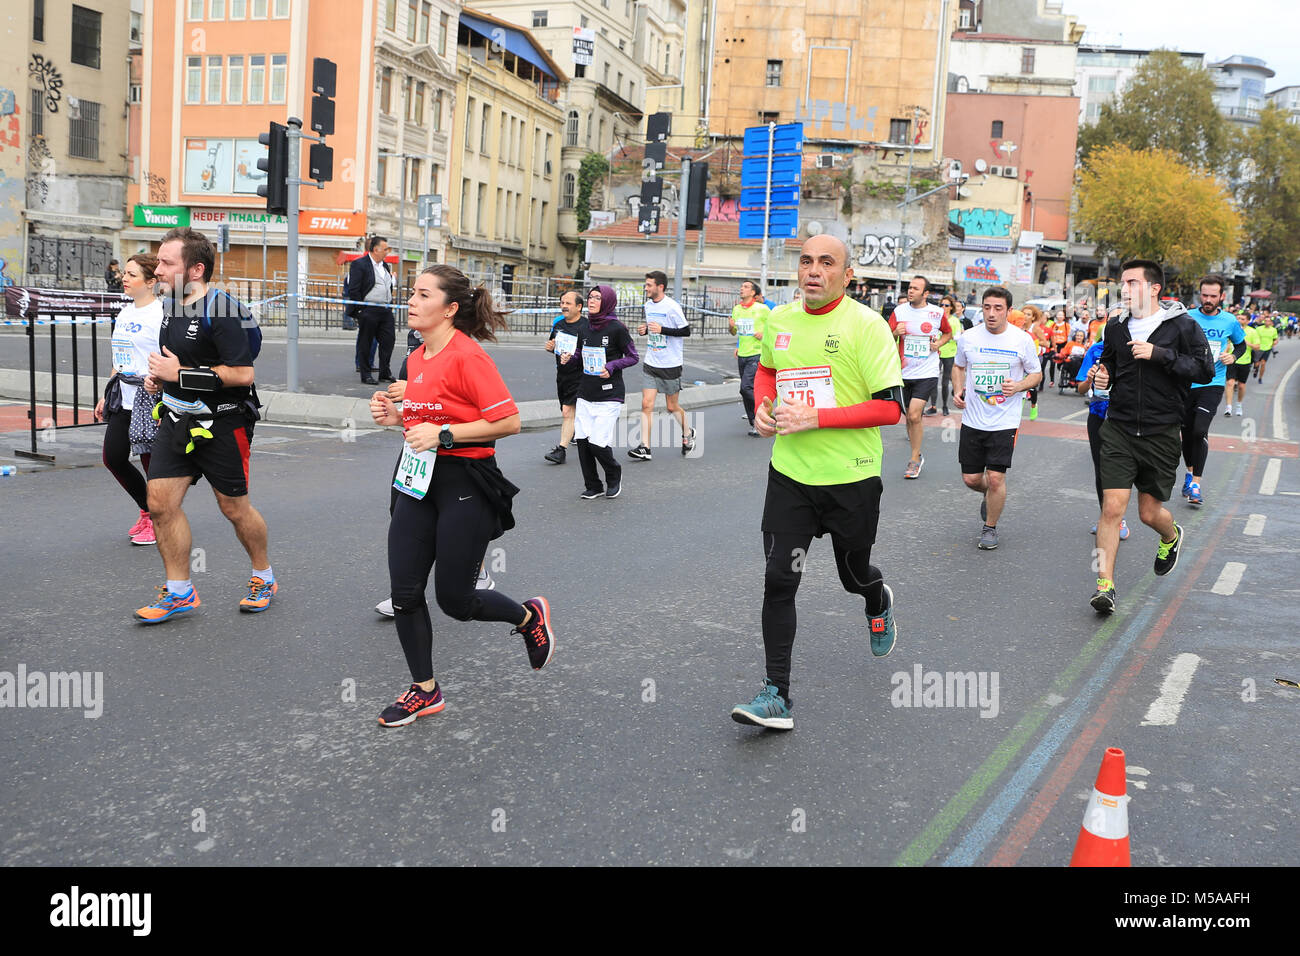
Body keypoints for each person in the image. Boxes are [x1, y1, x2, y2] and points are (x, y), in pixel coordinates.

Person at [367, 265, 555, 727]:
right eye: (412, 292)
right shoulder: (415, 359)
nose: (411, 300)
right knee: (405, 592)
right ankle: (424, 690)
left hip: (466, 482)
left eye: (423, 294)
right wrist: (398, 418)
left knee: (456, 600)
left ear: (450, 309)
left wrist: (444, 434)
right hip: (417, 480)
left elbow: (509, 421)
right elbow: (426, 417)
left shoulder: (468, 357)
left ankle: (528, 618)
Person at [730, 235, 904, 732]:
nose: (813, 270)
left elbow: (889, 407)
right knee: (779, 580)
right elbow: (767, 372)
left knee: (854, 575)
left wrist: (817, 418)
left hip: (852, 478)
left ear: (847, 276)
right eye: (806, 261)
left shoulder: (866, 326)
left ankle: (877, 599)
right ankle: (775, 695)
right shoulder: (779, 320)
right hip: (791, 476)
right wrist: (764, 407)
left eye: (826, 263)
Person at [134, 227, 274, 623]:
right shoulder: (172, 305)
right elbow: (178, 364)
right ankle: (180, 591)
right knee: (160, 504)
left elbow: (242, 374)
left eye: (166, 262)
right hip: (176, 420)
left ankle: (263, 575)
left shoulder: (225, 310)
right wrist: (160, 378)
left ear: (195, 269)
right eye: (158, 261)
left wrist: (180, 373)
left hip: (223, 423)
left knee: (233, 507)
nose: (157, 270)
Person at [1084, 259, 1213, 614]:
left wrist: (1160, 355)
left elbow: (1204, 370)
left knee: (1148, 512)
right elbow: (1109, 363)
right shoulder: (1115, 327)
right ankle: (1104, 585)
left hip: (1161, 432)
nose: (1124, 290)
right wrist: (1103, 376)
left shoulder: (1182, 326)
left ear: (1154, 288)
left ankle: (1170, 537)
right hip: (1119, 428)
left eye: (1132, 283)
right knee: (1111, 508)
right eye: (1123, 283)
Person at [950, 287, 1042, 551]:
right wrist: (958, 389)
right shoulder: (968, 337)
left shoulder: (1021, 339)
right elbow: (958, 366)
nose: (991, 313)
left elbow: (1036, 375)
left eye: (998, 308)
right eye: (987, 307)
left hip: (1005, 420)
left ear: (1008, 311)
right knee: (971, 478)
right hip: (973, 419)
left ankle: (989, 527)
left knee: (996, 478)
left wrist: (1020, 386)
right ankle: (990, 497)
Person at [94, 254, 164, 545]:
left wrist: (158, 383)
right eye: (125, 273)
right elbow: (120, 358)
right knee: (113, 457)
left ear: (151, 281)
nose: (124, 278)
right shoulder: (124, 313)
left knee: (153, 467)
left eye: (132, 274)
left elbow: (170, 358)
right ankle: (148, 510)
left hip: (150, 400)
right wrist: (106, 392)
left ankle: (159, 521)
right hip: (123, 398)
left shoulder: (160, 315)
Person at [1180, 275, 1246, 508]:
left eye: (1212, 296)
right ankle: (1189, 473)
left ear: (1221, 297)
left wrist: (1233, 356)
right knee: (1186, 434)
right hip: (1186, 383)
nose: (1207, 300)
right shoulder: (1186, 317)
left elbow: (1241, 344)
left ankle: (1196, 484)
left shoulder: (1229, 321)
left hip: (1213, 383)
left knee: (1199, 431)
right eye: (1204, 295)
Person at [572, 285, 638, 499]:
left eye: (597, 298)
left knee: (597, 442)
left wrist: (611, 367)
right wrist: (568, 356)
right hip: (585, 393)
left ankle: (613, 473)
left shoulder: (617, 328)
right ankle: (593, 486)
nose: (591, 301)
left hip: (609, 395)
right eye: (590, 297)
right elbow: (580, 354)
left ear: (607, 302)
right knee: (582, 442)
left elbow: (632, 356)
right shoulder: (584, 327)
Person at [888, 275, 951, 478]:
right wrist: (895, 332)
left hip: (927, 371)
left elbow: (947, 333)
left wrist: (938, 344)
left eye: (915, 288)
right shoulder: (899, 311)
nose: (910, 291)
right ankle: (917, 453)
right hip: (904, 372)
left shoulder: (936, 312)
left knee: (915, 415)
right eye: (909, 287)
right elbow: (886, 337)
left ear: (926, 294)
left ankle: (914, 459)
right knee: (909, 417)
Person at [629, 270, 694, 460]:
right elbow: (653, 329)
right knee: (646, 404)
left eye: (649, 285)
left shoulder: (672, 306)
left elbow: (686, 331)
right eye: (646, 284)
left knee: (672, 407)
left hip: (670, 364)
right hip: (651, 361)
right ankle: (645, 447)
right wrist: (645, 330)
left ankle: (687, 432)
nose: (646, 288)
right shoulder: (648, 305)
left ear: (660, 287)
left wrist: (662, 329)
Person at [1075, 332, 1130, 542]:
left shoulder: (1135, 349)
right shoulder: (1095, 350)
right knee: (1101, 469)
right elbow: (1080, 389)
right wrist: (1089, 379)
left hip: (1124, 418)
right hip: (1098, 416)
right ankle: (1107, 516)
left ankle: (1118, 517)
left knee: (1120, 469)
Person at [543, 290, 588, 463]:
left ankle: (561, 450)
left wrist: (576, 357)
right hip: (562, 374)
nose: (564, 306)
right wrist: (550, 347)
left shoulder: (586, 327)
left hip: (580, 376)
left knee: (567, 411)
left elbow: (592, 353)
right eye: (562, 302)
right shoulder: (558, 324)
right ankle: (578, 434)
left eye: (568, 303)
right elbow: (555, 345)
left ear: (579, 306)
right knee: (567, 410)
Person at [347, 236, 396, 385]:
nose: (387, 252)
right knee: (366, 343)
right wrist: (361, 309)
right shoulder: (359, 264)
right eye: (385, 249)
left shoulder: (385, 266)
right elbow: (354, 289)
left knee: (388, 341)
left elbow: (388, 286)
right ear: (376, 249)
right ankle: (366, 374)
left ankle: (384, 373)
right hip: (369, 309)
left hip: (385, 309)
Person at [730, 278, 772, 435]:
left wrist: (765, 334)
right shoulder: (736, 309)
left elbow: (775, 326)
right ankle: (755, 422)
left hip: (757, 353)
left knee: (745, 387)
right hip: (743, 354)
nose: (742, 289)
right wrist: (731, 327)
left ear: (753, 292)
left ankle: (764, 413)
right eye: (741, 286)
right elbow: (735, 332)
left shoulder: (762, 309)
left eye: (746, 287)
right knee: (746, 390)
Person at [926, 294, 963, 417]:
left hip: (949, 353)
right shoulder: (936, 318)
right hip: (936, 352)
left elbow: (958, 337)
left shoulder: (954, 320)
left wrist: (948, 336)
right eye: (942, 305)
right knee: (933, 380)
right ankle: (933, 406)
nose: (943, 307)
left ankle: (945, 406)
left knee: (945, 382)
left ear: (951, 307)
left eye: (946, 305)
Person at [1225, 313, 1259, 417]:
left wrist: (1245, 343)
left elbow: (1257, 347)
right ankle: (1228, 407)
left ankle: (1239, 404)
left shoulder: (1252, 332)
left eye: (1242, 319)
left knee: (1241, 386)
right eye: (1238, 318)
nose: (1240, 320)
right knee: (1230, 383)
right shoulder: (1232, 329)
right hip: (1232, 360)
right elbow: (1227, 343)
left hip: (1245, 362)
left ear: (1248, 321)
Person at [1253, 314, 1278, 383]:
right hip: (1258, 348)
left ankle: (1260, 378)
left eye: (1268, 321)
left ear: (1270, 322)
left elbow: (1275, 339)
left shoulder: (1274, 330)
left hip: (1267, 348)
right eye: (1266, 321)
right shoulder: (1258, 329)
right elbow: (1254, 337)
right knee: (1257, 363)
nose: (1267, 322)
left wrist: (1275, 342)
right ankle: (1256, 369)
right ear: (1264, 321)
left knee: (1263, 363)